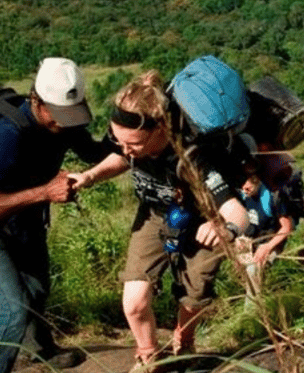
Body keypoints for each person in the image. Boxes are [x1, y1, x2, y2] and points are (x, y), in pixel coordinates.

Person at [68, 71, 250, 372]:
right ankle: (149, 355)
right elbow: (121, 157)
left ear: (160, 131)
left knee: (193, 298)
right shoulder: (128, 140)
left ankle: (184, 341)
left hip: (201, 222)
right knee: (135, 301)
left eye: (133, 144)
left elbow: (236, 212)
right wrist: (89, 176)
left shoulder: (191, 158)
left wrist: (224, 228)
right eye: (119, 140)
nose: (125, 150)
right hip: (154, 215)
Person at [0, 58, 105, 373]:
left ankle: (42, 352)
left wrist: (133, 129)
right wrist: (45, 192)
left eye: (70, 115)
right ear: (36, 101)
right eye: (58, 116)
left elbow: (94, 153)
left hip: (26, 223)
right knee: (14, 308)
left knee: (36, 291)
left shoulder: (65, 123)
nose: (64, 124)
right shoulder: (8, 134)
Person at [234, 156, 293, 299]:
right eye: (242, 186)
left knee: (253, 270)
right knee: (241, 271)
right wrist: (240, 245)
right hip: (251, 238)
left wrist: (267, 247)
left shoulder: (271, 195)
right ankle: (262, 294)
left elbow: (287, 227)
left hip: (272, 240)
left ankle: (251, 314)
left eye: (248, 187)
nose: (244, 190)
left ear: (257, 181)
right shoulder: (242, 194)